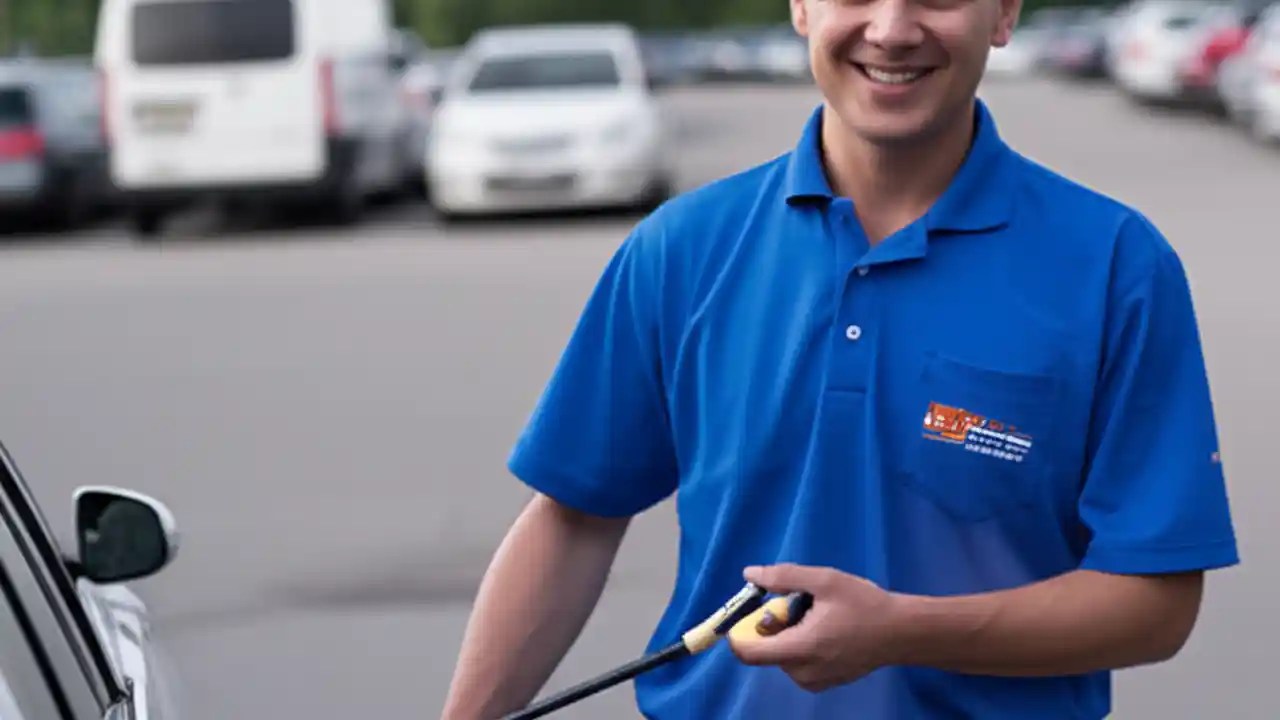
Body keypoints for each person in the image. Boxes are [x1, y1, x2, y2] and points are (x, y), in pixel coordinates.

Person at [439, 0, 1241, 717]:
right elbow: (575, 518)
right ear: (800, 7)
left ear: (1003, 14)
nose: (891, 28)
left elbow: (1155, 605)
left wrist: (901, 632)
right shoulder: (681, 250)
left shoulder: (1113, 264)